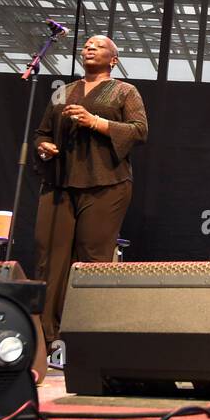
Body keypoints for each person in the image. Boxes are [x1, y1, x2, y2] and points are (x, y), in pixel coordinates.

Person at [33, 35, 148, 344]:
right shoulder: (63, 92)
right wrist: (44, 147)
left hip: (106, 183)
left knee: (92, 258)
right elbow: (42, 132)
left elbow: (140, 131)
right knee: (50, 258)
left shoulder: (125, 91)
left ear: (114, 59)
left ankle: (85, 335)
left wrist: (95, 121)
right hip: (60, 183)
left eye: (98, 45)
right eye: (86, 45)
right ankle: (46, 337)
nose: (89, 48)